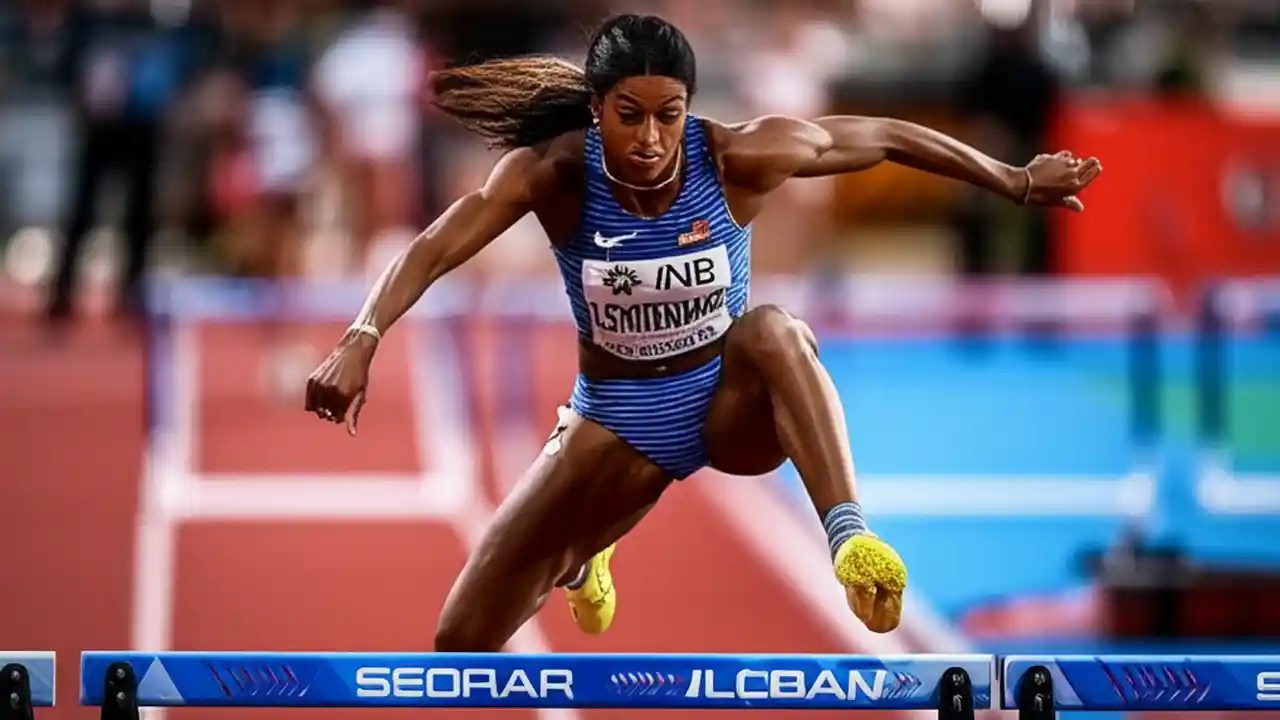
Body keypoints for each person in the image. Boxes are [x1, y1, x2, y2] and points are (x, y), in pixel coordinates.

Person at [305, 14, 1102, 650]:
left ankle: (851, 540)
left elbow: (886, 136)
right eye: (628, 118)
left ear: (690, 108)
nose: (651, 139)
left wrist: (1016, 181)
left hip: (725, 408)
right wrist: (363, 334)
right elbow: (436, 245)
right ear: (595, 111)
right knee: (462, 639)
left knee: (774, 330)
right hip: (615, 422)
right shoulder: (552, 173)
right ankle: (588, 552)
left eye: (669, 115)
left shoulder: (735, 158)